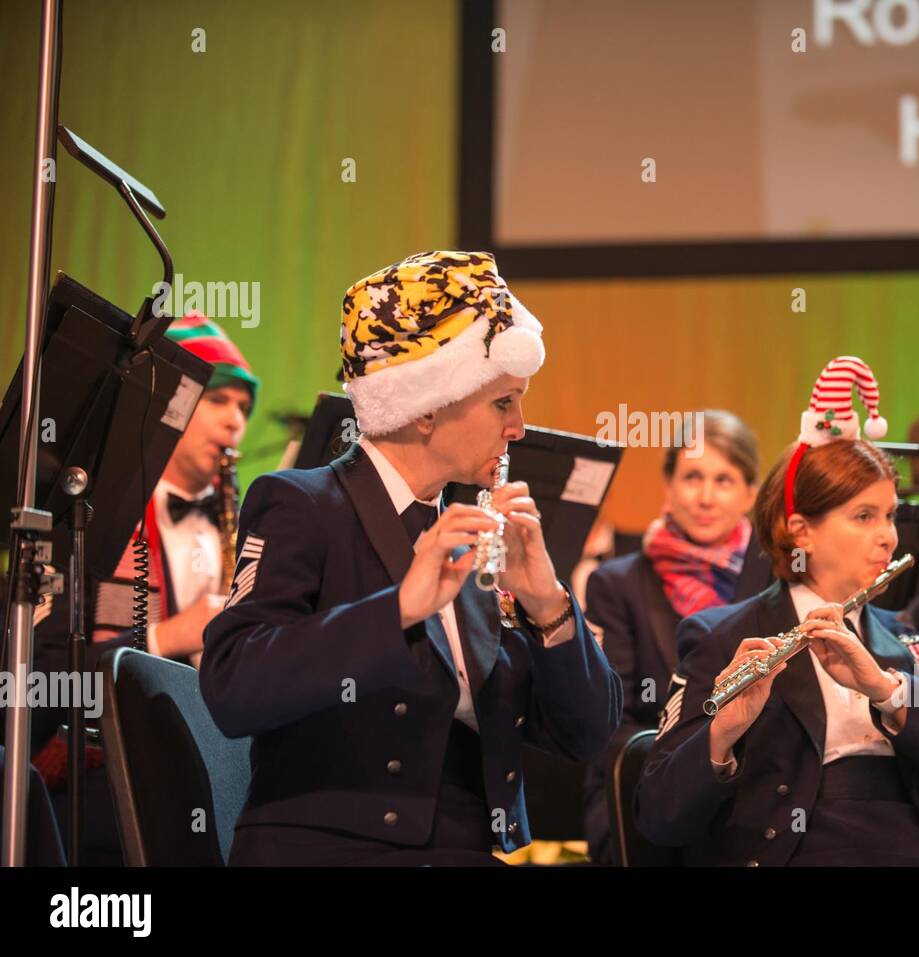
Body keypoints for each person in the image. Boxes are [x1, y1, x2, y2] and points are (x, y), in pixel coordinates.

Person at [200, 250, 621, 865]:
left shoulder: (476, 534)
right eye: (503, 402)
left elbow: (586, 736)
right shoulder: (301, 503)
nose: (520, 427)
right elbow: (233, 687)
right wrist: (397, 607)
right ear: (425, 405)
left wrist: (546, 601)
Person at [636, 357, 919, 866]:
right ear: (800, 530)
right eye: (864, 516)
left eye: (891, 515)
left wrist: (888, 691)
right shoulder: (721, 636)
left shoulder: (912, 641)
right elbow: (659, 814)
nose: (888, 536)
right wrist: (723, 732)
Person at [25, 313, 257, 865]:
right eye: (218, 399)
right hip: (101, 782)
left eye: (244, 407)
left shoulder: (239, 527)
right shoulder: (91, 519)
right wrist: (167, 636)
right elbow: (47, 667)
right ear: (169, 405)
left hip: (204, 763)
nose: (235, 422)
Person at [582, 409, 770, 863]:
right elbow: (613, 721)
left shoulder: (773, 581)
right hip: (650, 787)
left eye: (724, 480)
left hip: (758, 785)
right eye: (692, 477)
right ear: (668, 486)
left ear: (749, 493)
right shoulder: (616, 582)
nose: (705, 497)